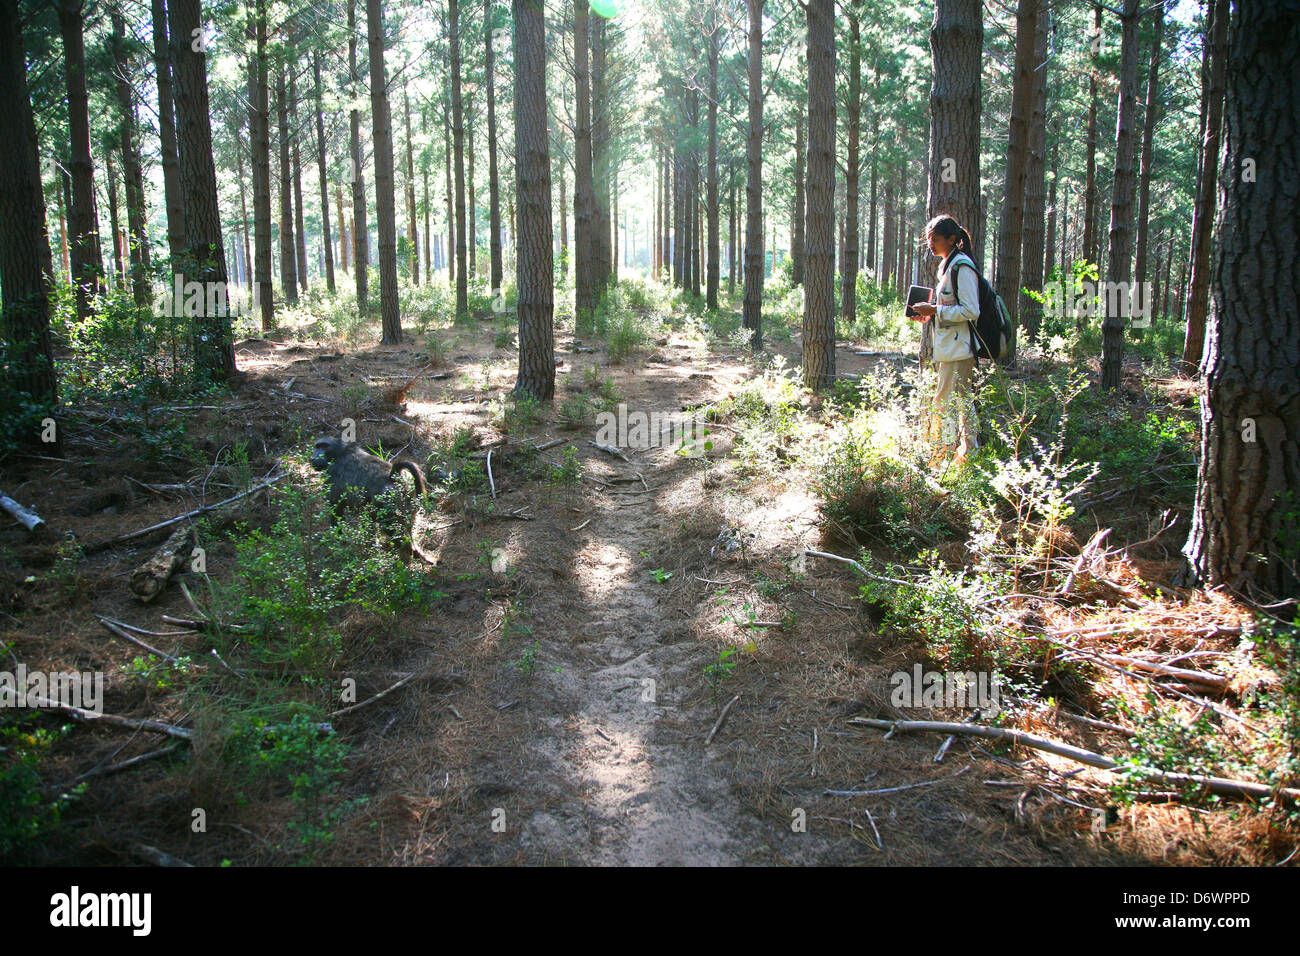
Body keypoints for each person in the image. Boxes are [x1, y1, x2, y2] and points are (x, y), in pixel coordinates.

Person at [909, 214, 980, 466]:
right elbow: (952, 307)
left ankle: (945, 454)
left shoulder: (962, 266)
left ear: (951, 239)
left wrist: (936, 310)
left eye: (935, 239)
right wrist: (929, 315)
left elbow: (971, 310)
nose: (931, 244)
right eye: (929, 239)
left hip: (959, 348)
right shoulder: (948, 266)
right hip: (952, 346)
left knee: (945, 401)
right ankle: (968, 452)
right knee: (961, 399)